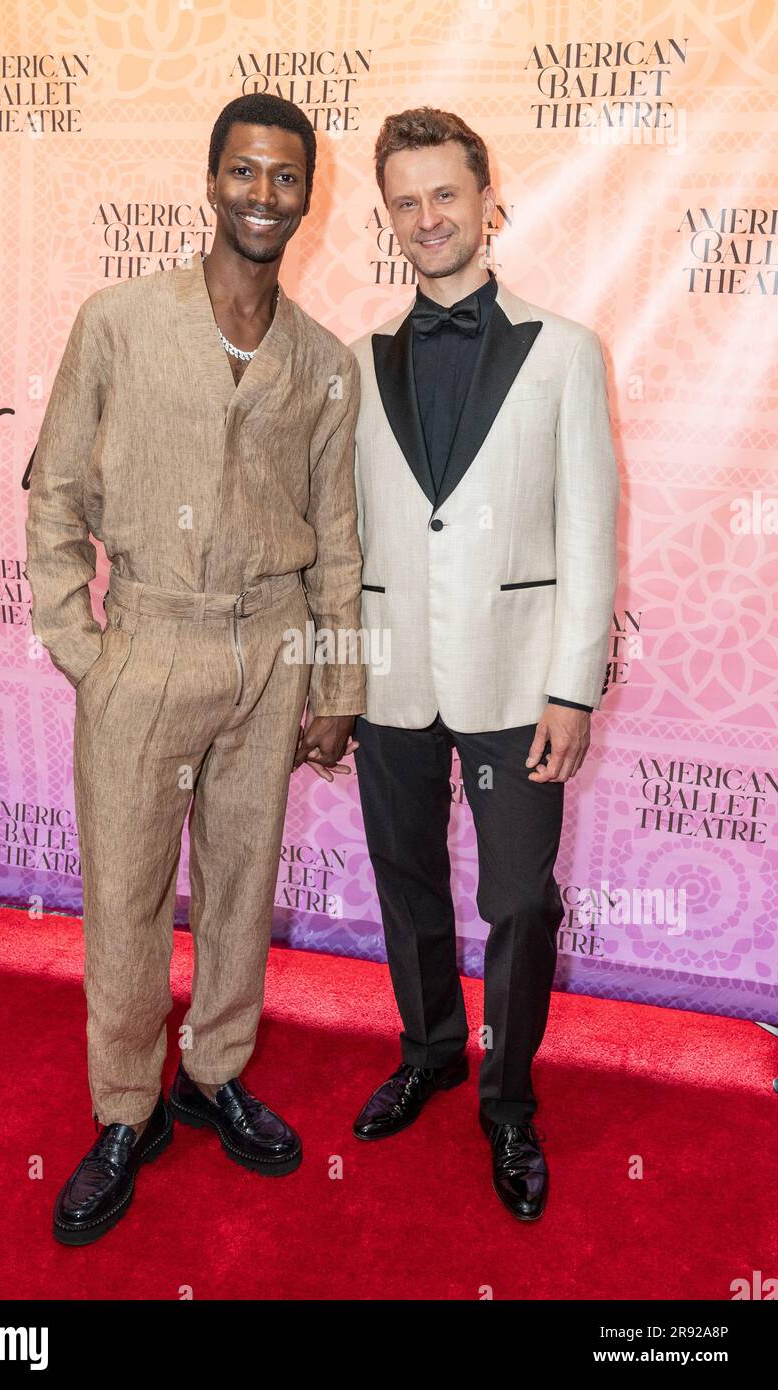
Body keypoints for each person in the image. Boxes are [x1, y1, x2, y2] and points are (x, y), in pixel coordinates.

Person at [25, 92, 365, 1245]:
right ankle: (126, 1110)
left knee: (239, 881)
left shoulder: (322, 364)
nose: (263, 195)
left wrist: (339, 684)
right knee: (124, 897)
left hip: (272, 651)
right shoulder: (117, 321)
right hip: (149, 641)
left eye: (284, 178)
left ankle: (211, 1073)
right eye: (244, 172)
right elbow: (57, 491)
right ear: (209, 180)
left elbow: (339, 532)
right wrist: (82, 647)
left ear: (305, 197)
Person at [349, 107, 619, 1221]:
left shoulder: (563, 350)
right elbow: (348, 528)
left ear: (486, 201)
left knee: (516, 903)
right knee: (406, 884)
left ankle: (506, 1103)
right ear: (389, 220)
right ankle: (430, 1049)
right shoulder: (357, 360)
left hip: (518, 685)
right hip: (388, 677)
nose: (426, 218)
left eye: (444, 194)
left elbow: (589, 525)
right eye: (405, 202)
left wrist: (572, 683)